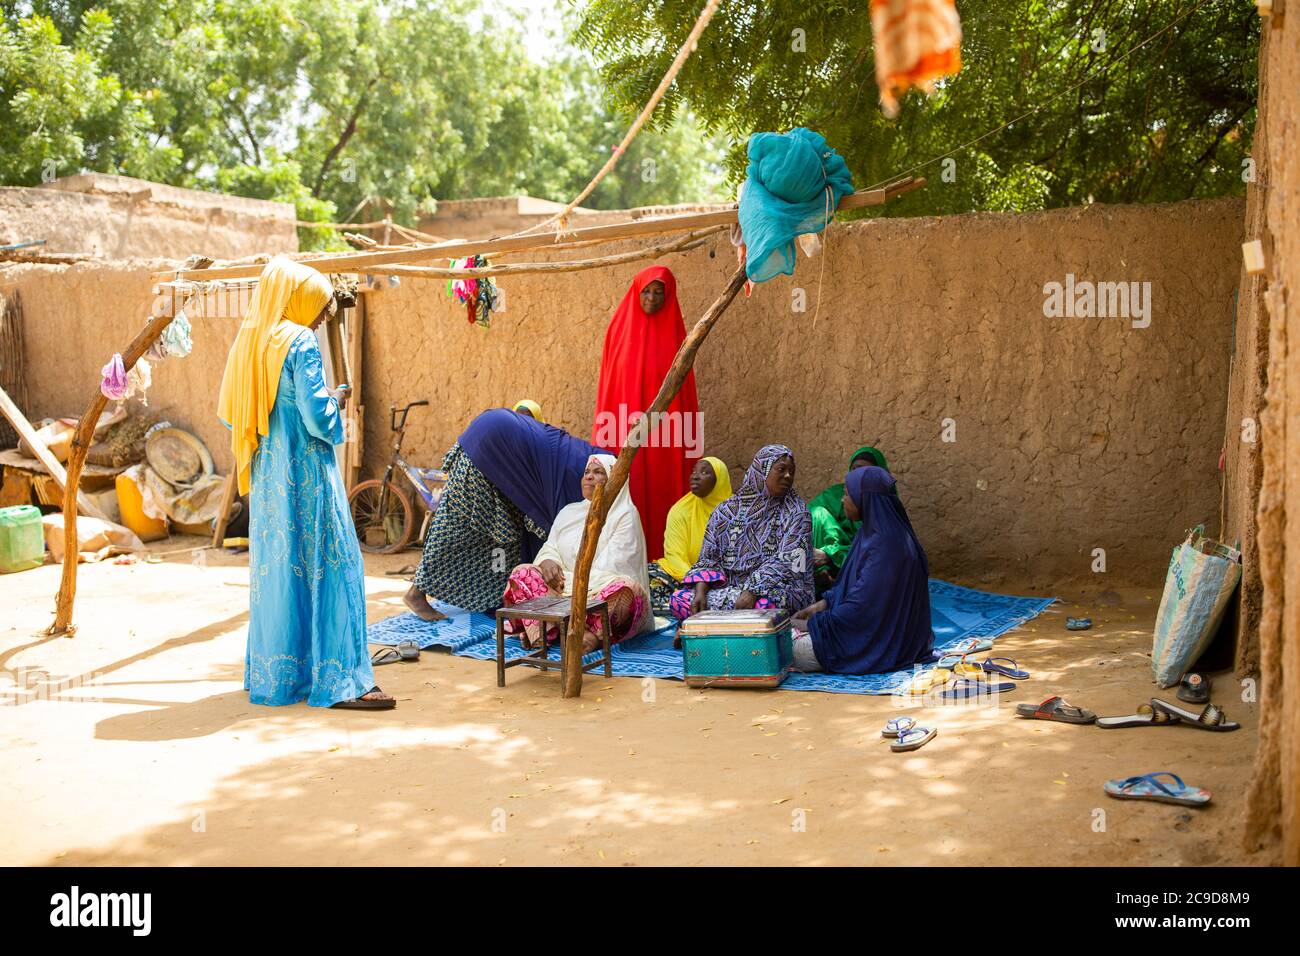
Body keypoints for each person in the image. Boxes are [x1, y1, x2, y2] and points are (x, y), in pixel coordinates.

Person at [217, 256, 393, 710]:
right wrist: (336, 407)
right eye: (316, 309)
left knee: (278, 572)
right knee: (336, 566)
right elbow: (318, 420)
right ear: (297, 301)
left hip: (269, 479)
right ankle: (342, 681)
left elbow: (240, 411)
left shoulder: (249, 342)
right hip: (309, 476)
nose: (318, 321)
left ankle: (277, 678)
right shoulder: (299, 343)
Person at [405, 407, 599, 620]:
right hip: (484, 458)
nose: (591, 478)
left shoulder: (558, 452)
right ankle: (416, 593)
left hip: (484, 447)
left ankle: (496, 598)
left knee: (500, 540)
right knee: (458, 528)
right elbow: (544, 511)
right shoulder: (567, 466)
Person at [593, 265, 699, 558]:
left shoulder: (680, 336)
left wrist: (685, 441)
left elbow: (685, 396)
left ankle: (665, 561)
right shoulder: (618, 330)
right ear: (636, 292)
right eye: (647, 291)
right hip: (622, 432)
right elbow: (609, 388)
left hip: (667, 438)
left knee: (664, 495)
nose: (652, 298)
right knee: (631, 492)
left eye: (659, 292)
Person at [501, 454, 652, 651]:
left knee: (627, 590)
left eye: (598, 472)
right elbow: (551, 547)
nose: (589, 477)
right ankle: (553, 631)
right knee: (521, 573)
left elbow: (615, 566)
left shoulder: (625, 514)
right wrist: (547, 561)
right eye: (586, 472)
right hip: (559, 591)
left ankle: (574, 631)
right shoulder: (568, 512)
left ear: (613, 480)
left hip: (595, 593)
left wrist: (568, 585)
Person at [791, 465, 934, 674]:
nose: (842, 500)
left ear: (864, 499)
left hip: (874, 642)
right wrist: (818, 607)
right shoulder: (870, 534)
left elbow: (862, 608)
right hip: (876, 633)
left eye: (848, 495)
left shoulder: (885, 545)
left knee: (783, 648)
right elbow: (853, 588)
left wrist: (811, 625)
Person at [669, 444, 814, 619]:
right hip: (729, 588)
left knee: (765, 607)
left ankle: (709, 626)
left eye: (792, 471)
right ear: (761, 471)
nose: (788, 476)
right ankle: (711, 626)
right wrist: (700, 590)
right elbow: (708, 558)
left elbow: (791, 561)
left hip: (776, 590)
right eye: (781, 469)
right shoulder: (727, 510)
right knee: (680, 600)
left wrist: (752, 590)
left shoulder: (797, 512)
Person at [647, 456, 732, 615]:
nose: (695, 476)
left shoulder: (735, 514)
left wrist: (708, 582)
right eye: (694, 471)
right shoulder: (680, 510)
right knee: (648, 579)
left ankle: (683, 610)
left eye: (705, 472)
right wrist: (697, 580)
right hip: (684, 576)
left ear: (719, 480)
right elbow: (674, 555)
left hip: (721, 580)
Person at [809, 445, 889, 593]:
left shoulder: (885, 510)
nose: (858, 475)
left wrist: (831, 555)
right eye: (855, 469)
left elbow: (874, 556)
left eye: (866, 471)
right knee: (817, 514)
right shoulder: (837, 495)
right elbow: (803, 521)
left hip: (863, 574)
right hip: (825, 566)